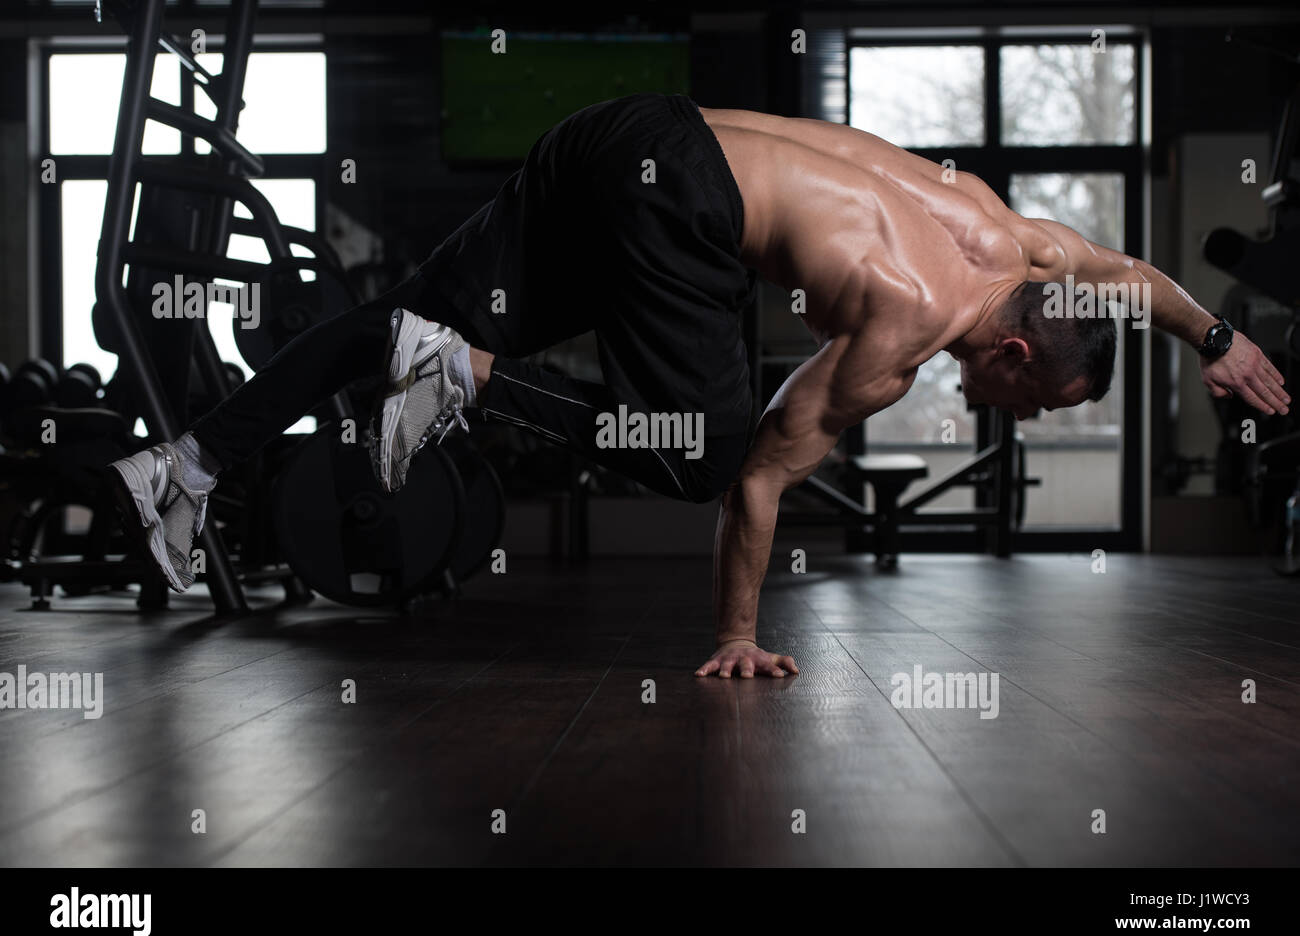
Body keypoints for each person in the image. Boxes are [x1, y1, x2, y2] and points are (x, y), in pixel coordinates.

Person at [107, 92, 1291, 679]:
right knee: (693, 453)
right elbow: (758, 478)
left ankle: (186, 468)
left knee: (385, 325)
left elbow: (1130, 272)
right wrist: (736, 633)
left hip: (617, 139)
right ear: (1019, 354)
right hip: (675, 199)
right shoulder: (912, 321)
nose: (1006, 417)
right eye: (1024, 405)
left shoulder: (1019, 236)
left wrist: (1214, 337)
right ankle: (452, 373)